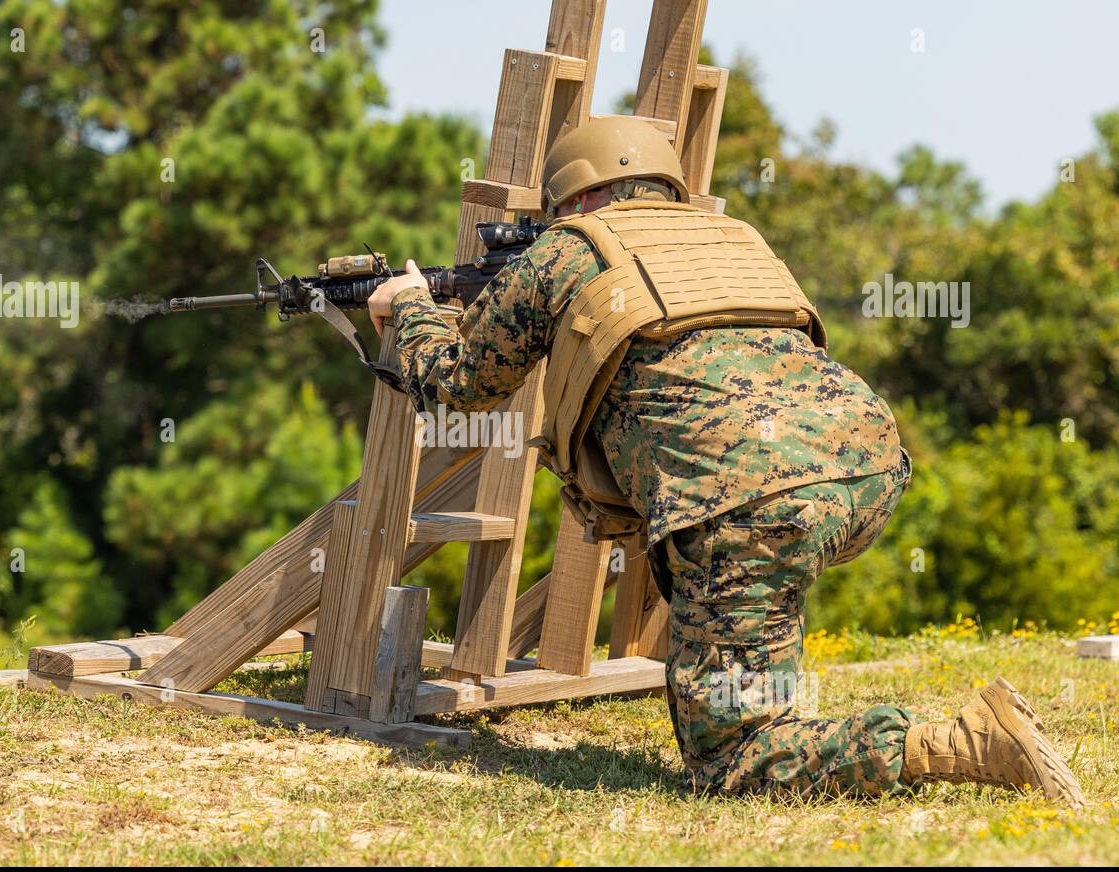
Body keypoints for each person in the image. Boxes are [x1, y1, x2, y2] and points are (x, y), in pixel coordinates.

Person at [367, 116, 1083, 806]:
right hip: (865, 466)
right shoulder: (734, 236)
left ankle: (960, 743)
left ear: (576, 199)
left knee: (735, 761)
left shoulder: (566, 249)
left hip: (745, 501)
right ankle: (760, 681)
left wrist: (409, 308)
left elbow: (458, 383)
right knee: (752, 579)